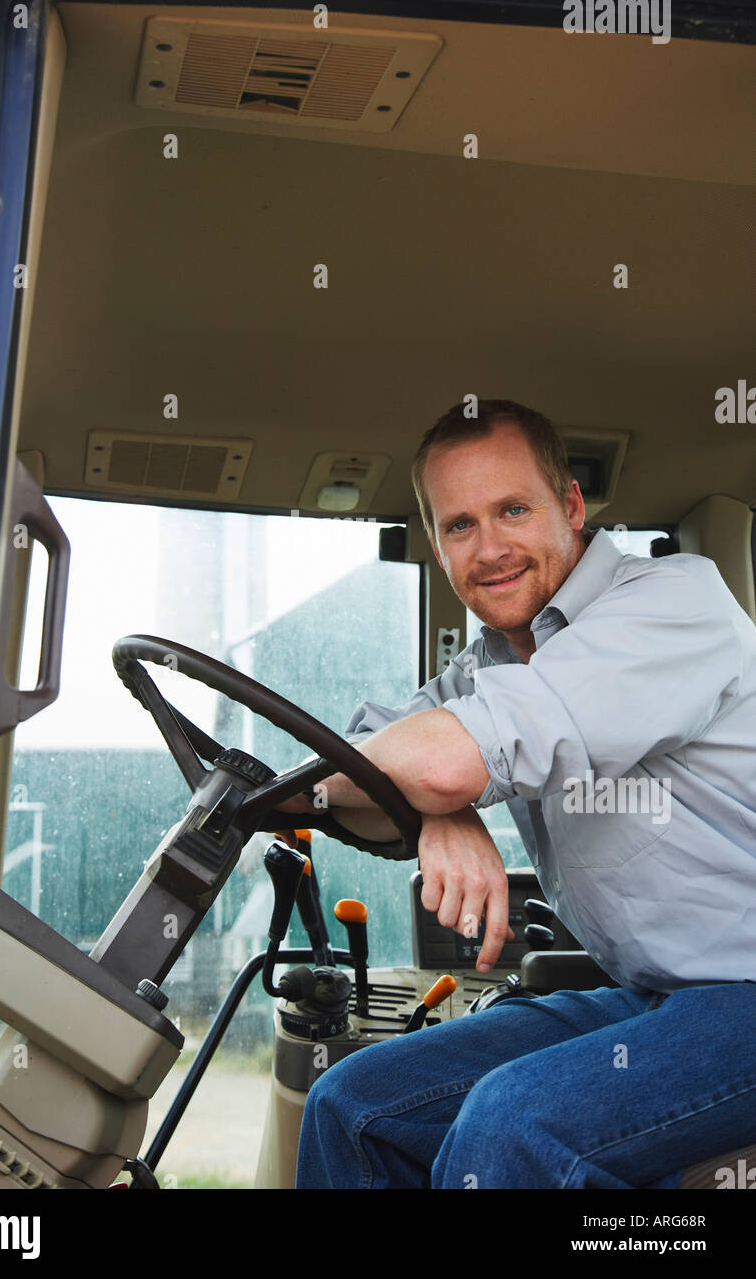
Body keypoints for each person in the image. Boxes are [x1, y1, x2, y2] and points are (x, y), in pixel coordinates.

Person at [277, 398, 756, 1189]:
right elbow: (320, 778)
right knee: (350, 1101)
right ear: (435, 544)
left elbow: (427, 765)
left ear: (570, 506)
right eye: (459, 525)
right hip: (653, 1000)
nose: (489, 548)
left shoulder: (674, 605)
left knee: (511, 1122)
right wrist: (441, 807)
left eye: (512, 510)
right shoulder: (484, 667)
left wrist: (435, 788)